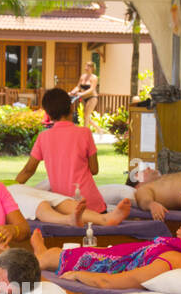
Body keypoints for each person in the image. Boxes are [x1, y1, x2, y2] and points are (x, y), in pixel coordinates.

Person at [13, 87, 130, 226]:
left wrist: (10, 189)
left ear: (48, 114)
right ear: (71, 108)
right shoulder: (85, 133)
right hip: (93, 204)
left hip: (65, 206)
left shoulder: (43, 137)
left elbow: (28, 171)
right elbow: (94, 170)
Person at [28, 225, 181, 290]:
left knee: (50, 258)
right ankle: (41, 251)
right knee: (53, 254)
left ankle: (39, 253)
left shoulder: (168, 264)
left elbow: (109, 282)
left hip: (109, 263)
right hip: (125, 250)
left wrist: (79, 275)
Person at [69, 61, 98, 126]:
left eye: (89, 66)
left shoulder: (94, 77)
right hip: (84, 98)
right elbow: (78, 86)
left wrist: (81, 94)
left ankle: (85, 133)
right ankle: (99, 130)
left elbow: (92, 89)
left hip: (92, 98)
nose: (86, 67)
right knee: (86, 116)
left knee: (86, 115)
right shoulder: (82, 76)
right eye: (86, 66)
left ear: (92, 68)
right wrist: (72, 92)